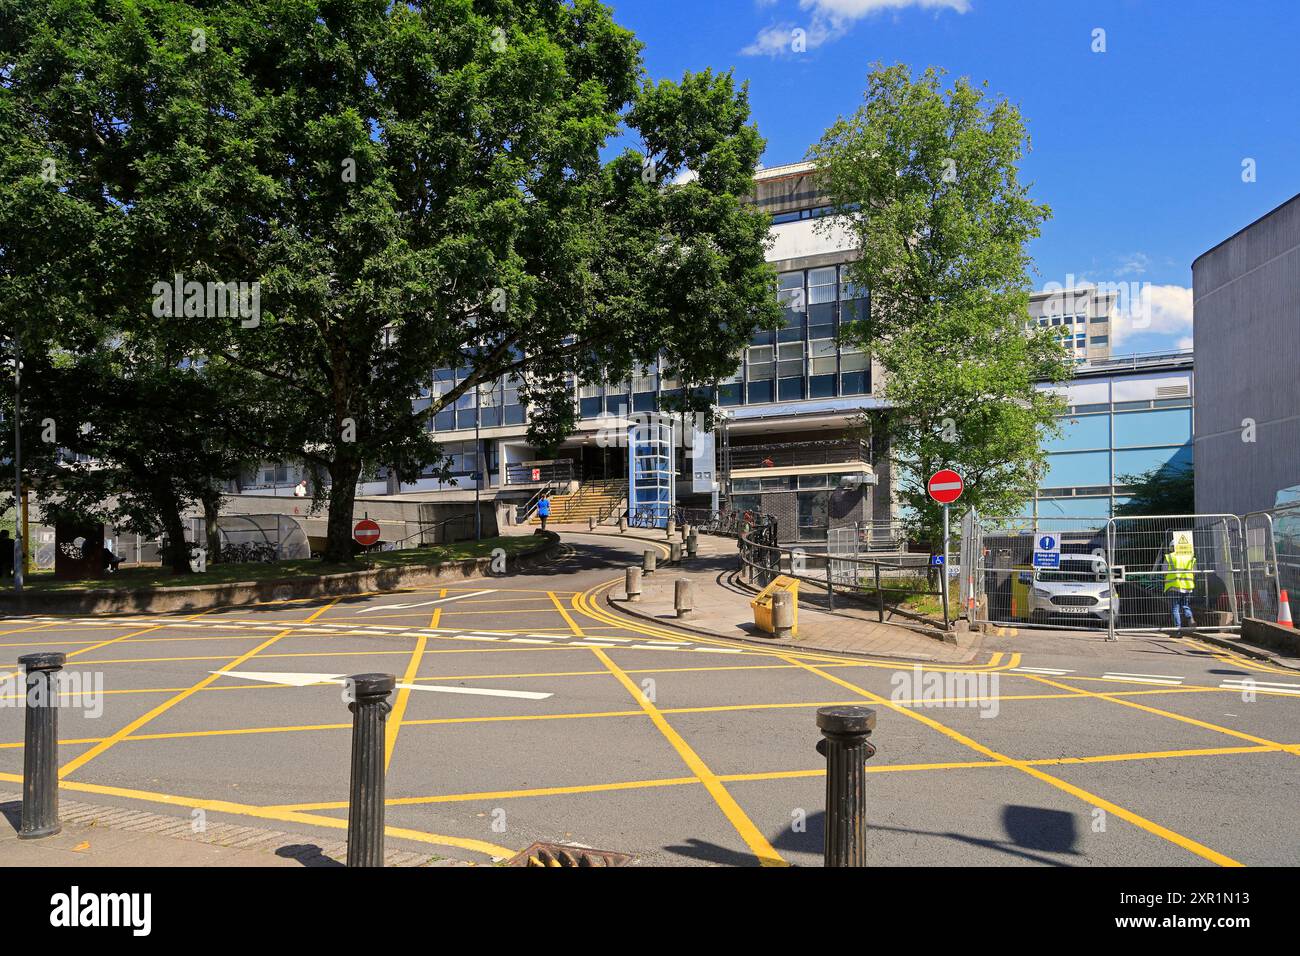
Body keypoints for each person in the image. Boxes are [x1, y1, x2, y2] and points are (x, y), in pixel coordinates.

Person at [1162, 536, 1197, 631]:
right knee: (1185, 605)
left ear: (1172, 547)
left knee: (1175, 608)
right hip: (1187, 586)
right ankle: (1190, 617)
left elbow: (1164, 572)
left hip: (1174, 586)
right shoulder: (1190, 557)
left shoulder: (1169, 557)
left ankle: (1178, 629)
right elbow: (1194, 572)